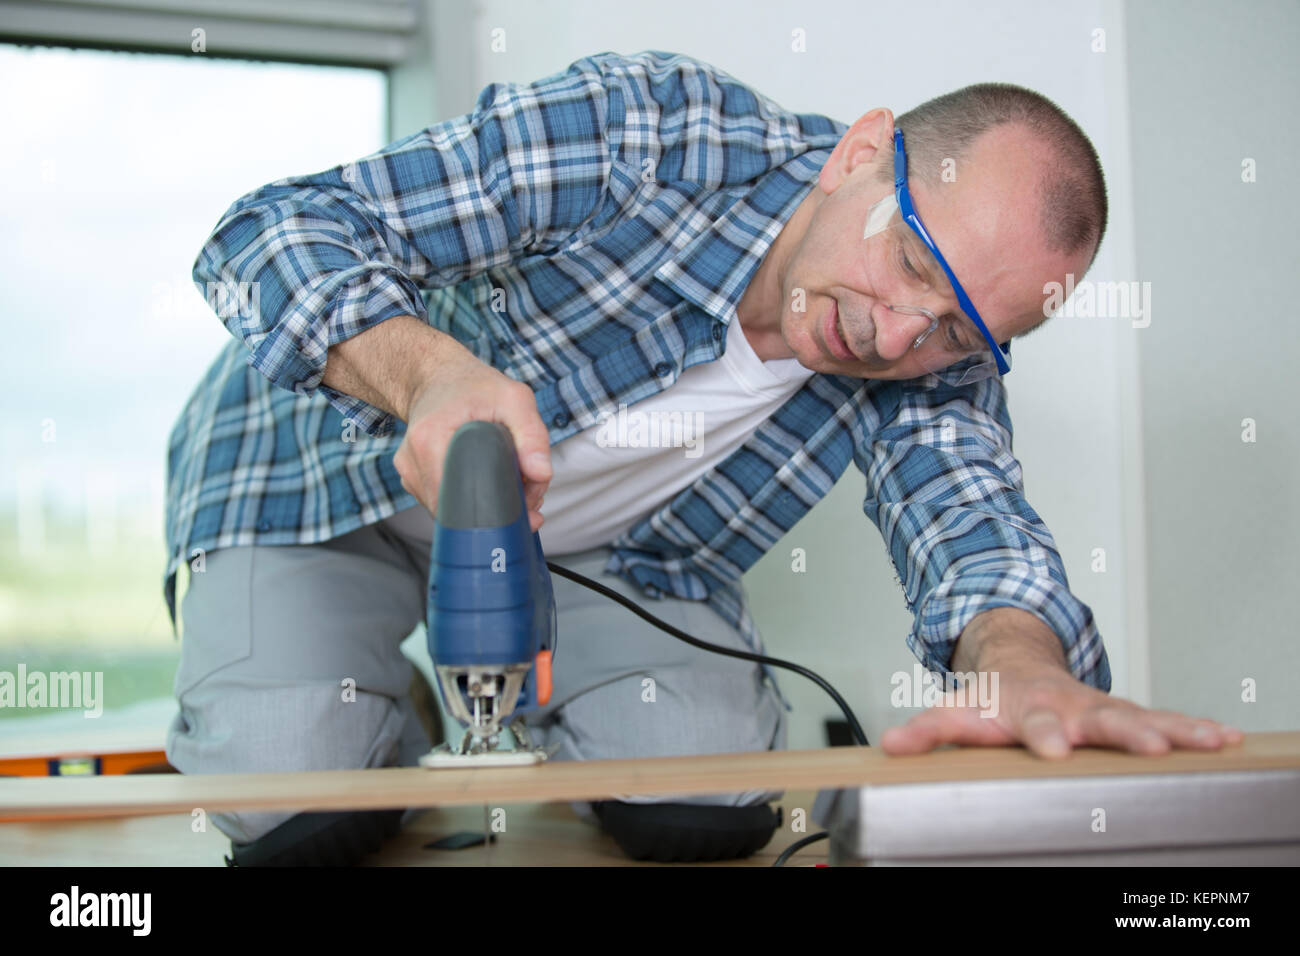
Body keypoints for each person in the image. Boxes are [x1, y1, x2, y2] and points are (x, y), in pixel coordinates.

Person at [163, 49, 1240, 865]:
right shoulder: (652, 132)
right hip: (313, 483)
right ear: (860, 152)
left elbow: (971, 527)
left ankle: (495, 693)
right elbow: (267, 230)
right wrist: (429, 379)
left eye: (958, 326)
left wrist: (1024, 676)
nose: (899, 335)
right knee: (292, 807)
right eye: (908, 258)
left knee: (707, 800)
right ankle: (366, 694)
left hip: (595, 560)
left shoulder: (929, 357)